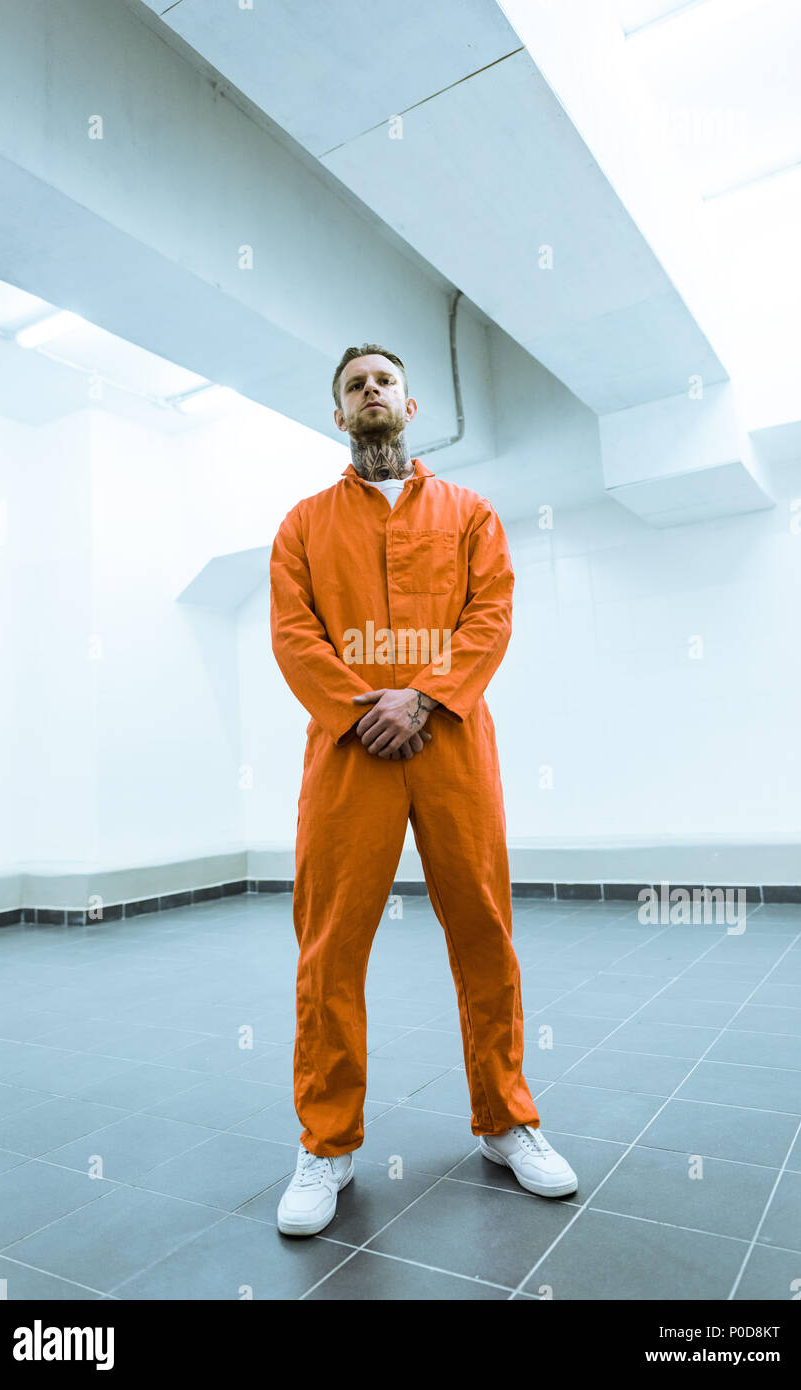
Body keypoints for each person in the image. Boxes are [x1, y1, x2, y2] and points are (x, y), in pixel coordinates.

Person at [269, 342, 577, 1236]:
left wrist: (425, 697)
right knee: (328, 947)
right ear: (339, 416)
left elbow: (490, 616)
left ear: (410, 407)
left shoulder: (471, 513)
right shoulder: (301, 525)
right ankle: (326, 1143)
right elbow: (295, 635)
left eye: (384, 383)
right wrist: (362, 708)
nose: (371, 393)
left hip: (450, 743)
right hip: (348, 747)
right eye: (353, 386)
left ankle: (508, 1122)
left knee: (483, 931)